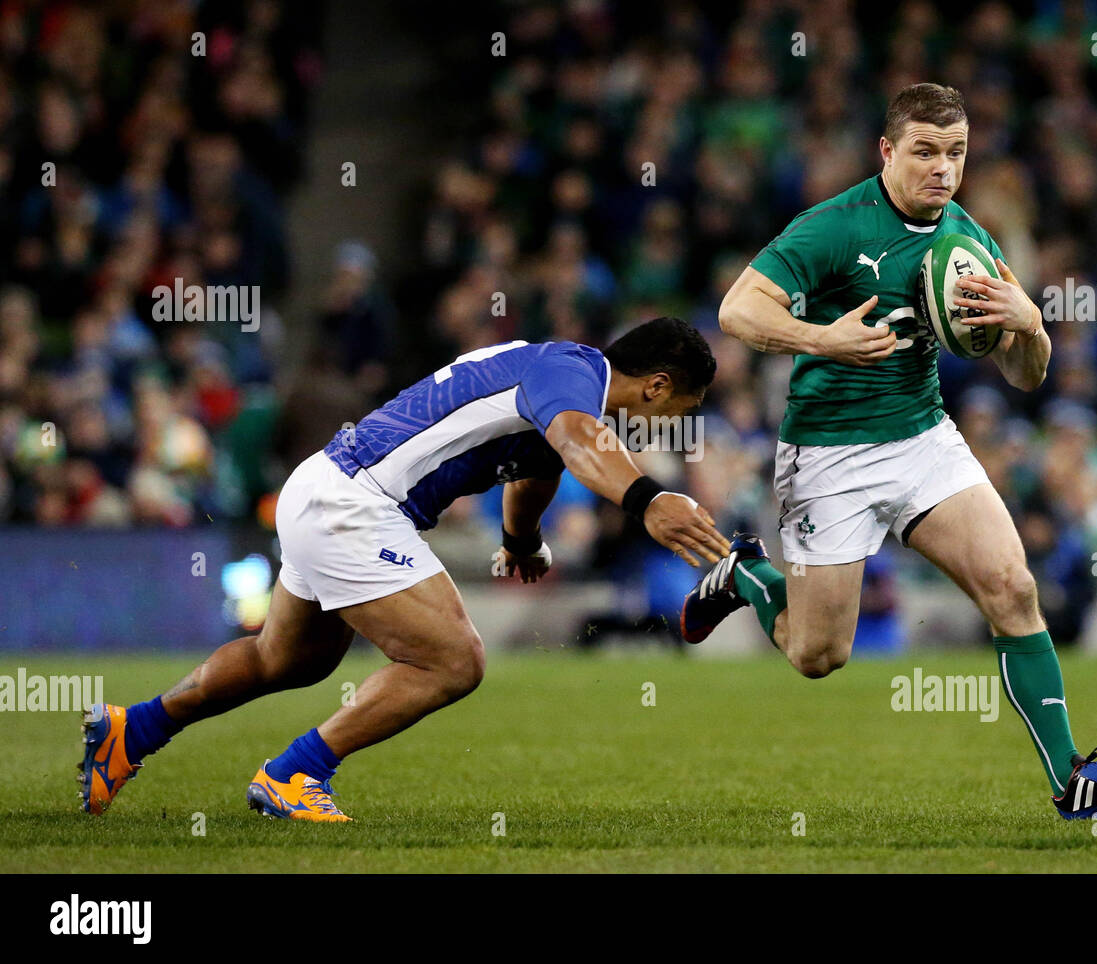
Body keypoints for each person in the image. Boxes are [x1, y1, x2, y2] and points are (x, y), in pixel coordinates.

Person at [681, 85, 1097, 820]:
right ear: (887, 152)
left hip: (923, 439)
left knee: (1013, 588)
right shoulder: (835, 226)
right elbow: (736, 309)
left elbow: (1026, 377)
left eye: (957, 153)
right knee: (817, 656)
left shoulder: (967, 239)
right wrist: (823, 337)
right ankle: (747, 574)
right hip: (828, 452)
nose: (943, 169)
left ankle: (1072, 781)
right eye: (926, 152)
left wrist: (1029, 325)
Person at [80, 317, 730, 821]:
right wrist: (647, 499)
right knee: (454, 660)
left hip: (324, 487)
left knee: (288, 661)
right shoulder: (570, 375)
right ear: (658, 386)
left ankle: (133, 729)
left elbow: (536, 469)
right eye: (679, 411)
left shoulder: (555, 372)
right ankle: (295, 775)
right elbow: (578, 442)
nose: (667, 426)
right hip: (355, 505)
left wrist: (521, 540)